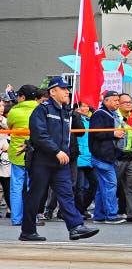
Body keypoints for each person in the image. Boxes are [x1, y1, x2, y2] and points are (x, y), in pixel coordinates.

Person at [19, 77, 98, 241]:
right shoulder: (43, 110)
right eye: (63, 89)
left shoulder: (66, 111)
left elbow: (77, 132)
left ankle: (75, 227)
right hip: (42, 161)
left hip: (60, 162)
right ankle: (27, 231)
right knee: (35, 196)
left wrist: (73, 113)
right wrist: (56, 151)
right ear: (52, 91)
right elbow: (40, 134)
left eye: (67, 89)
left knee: (67, 194)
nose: (67, 91)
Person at [89, 91, 126, 225]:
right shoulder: (99, 114)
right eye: (115, 100)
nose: (118, 103)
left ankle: (99, 215)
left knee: (102, 187)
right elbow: (96, 133)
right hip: (102, 157)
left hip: (107, 156)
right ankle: (111, 215)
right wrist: (113, 133)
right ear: (106, 101)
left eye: (118, 100)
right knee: (110, 185)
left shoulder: (111, 114)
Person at [6, 84, 40, 226]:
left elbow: (10, 126)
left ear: (22, 97)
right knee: (32, 187)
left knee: (16, 187)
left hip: (17, 153)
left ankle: (16, 218)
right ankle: (32, 218)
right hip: (36, 153)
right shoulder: (40, 109)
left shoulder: (14, 111)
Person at [116, 93, 132, 220]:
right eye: (125, 102)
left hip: (131, 156)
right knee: (113, 185)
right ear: (118, 103)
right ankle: (109, 211)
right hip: (118, 156)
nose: (129, 104)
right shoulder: (116, 117)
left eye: (130, 102)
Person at [70, 100, 95, 218]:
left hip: (90, 156)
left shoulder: (90, 121)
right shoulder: (73, 121)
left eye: (87, 106)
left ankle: (83, 207)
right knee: (78, 186)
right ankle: (78, 210)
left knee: (94, 184)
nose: (85, 108)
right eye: (82, 106)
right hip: (79, 156)